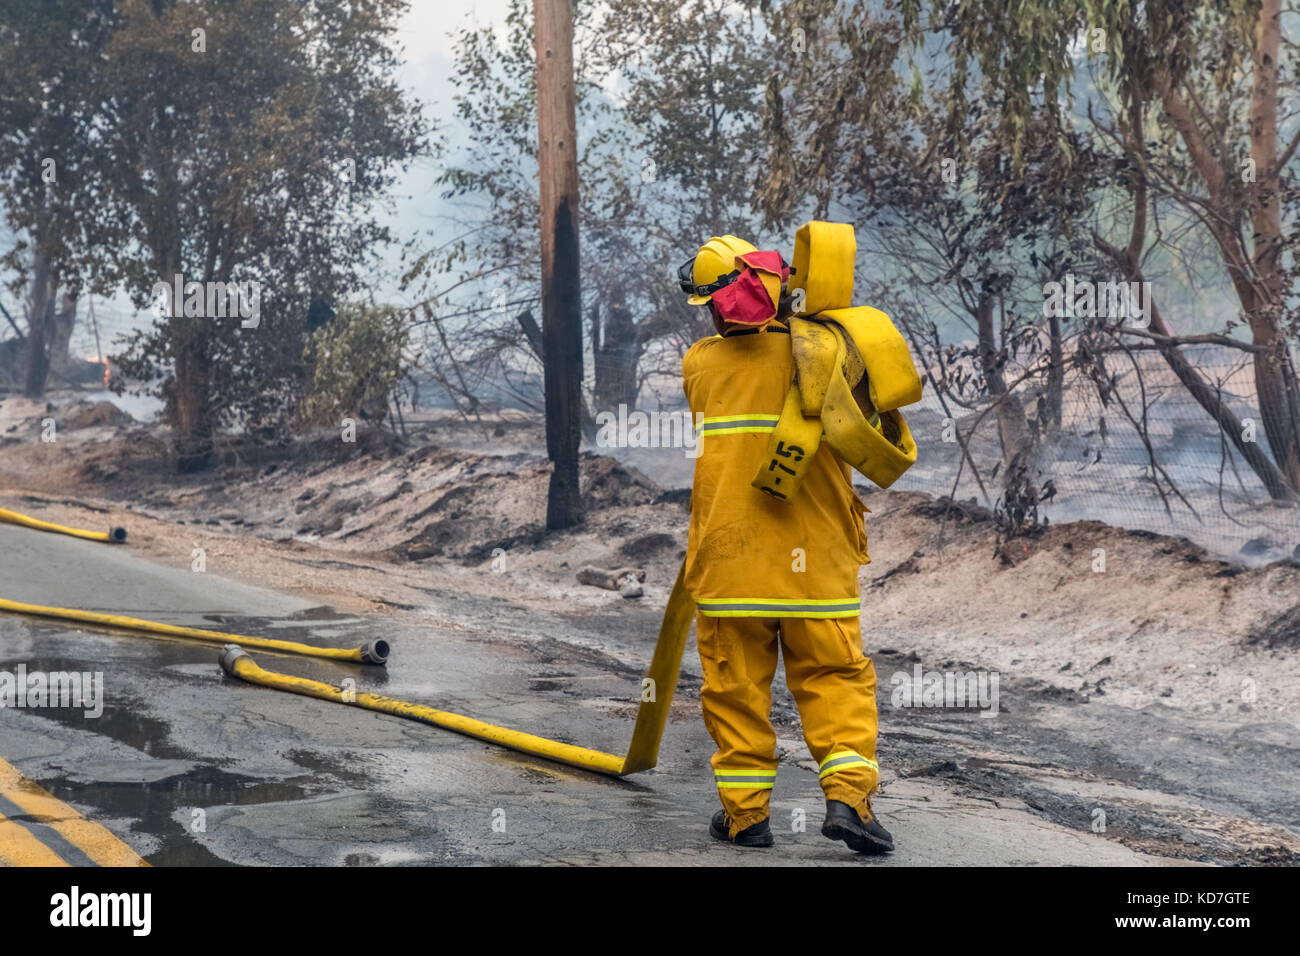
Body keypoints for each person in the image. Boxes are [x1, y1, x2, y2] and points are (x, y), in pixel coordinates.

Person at [677, 234, 893, 854]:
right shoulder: (831, 354)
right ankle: (849, 800)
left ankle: (747, 819)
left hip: (730, 568)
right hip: (817, 570)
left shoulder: (700, 364)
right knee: (834, 680)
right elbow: (872, 414)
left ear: (719, 306)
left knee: (736, 689)